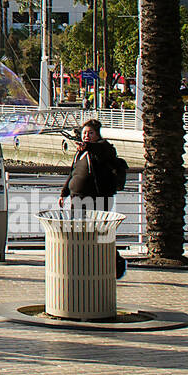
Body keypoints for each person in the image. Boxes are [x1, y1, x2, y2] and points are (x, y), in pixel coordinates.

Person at [58, 118, 126, 278]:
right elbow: (73, 173)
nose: (86, 136)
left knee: (100, 232)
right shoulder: (80, 153)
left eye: (90, 133)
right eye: (84, 133)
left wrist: (88, 146)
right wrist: (64, 193)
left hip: (97, 199)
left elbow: (103, 150)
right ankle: (84, 262)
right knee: (80, 232)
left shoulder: (103, 149)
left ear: (97, 134)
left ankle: (113, 264)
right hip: (78, 199)